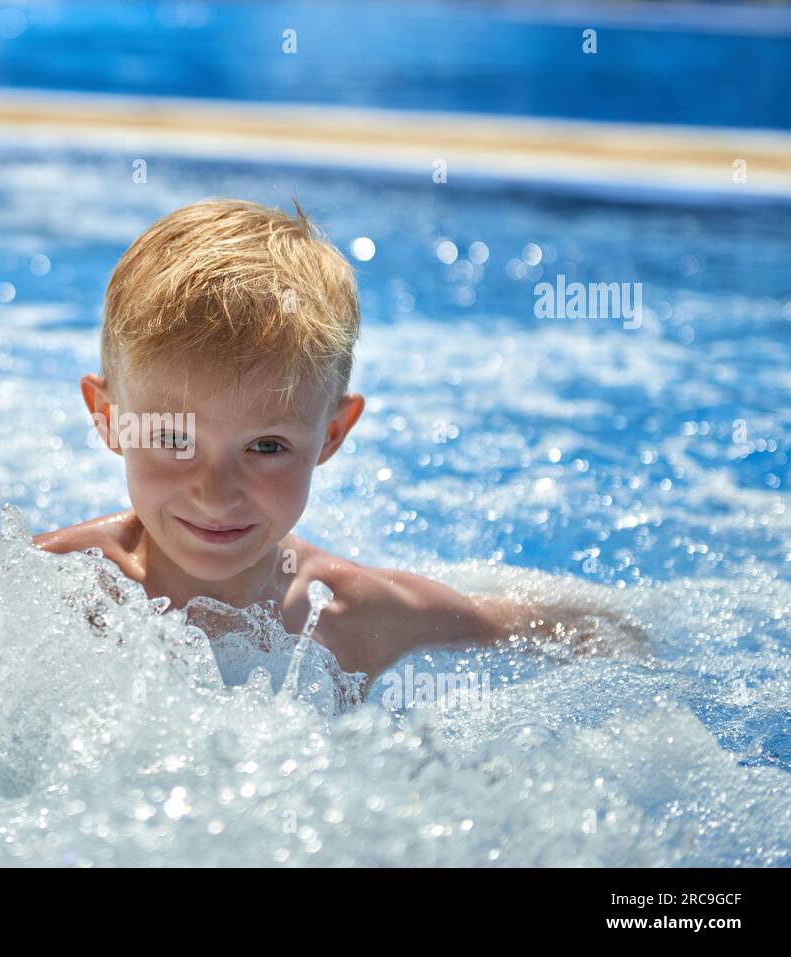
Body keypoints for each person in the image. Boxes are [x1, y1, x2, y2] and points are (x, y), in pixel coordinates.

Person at [32, 197, 641, 688]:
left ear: (331, 435)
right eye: (171, 439)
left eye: (266, 447)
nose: (217, 494)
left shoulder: (354, 615)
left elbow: (577, 629)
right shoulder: (49, 590)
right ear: (109, 419)